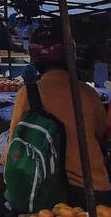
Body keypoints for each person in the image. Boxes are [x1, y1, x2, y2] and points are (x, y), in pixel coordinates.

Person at [8, 30, 111, 205]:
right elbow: (100, 131)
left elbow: (15, 143)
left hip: (50, 190)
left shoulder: (28, 93)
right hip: (94, 187)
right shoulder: (88, 93)